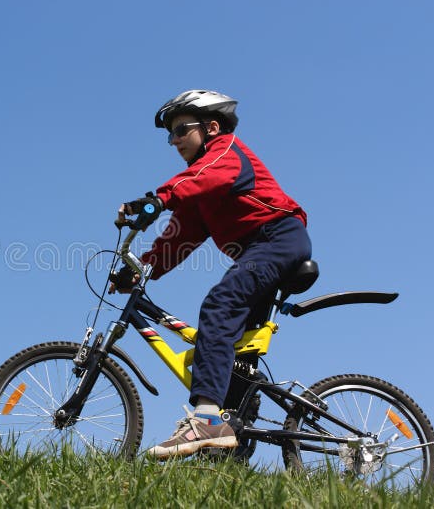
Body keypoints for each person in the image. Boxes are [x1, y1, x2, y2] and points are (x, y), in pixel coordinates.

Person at [112, 90, 311, 458]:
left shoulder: (225, 154)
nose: (173, 141)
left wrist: (158, 198)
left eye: (180, 130)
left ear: (212, 128)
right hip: (259, 251)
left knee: (219, 307)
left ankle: (204, 420)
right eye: (169, 135)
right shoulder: (202, 188)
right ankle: (229, 447)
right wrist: (140, 271)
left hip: (278, 239)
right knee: (237, 353)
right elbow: (178, 238)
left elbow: (197, 179)